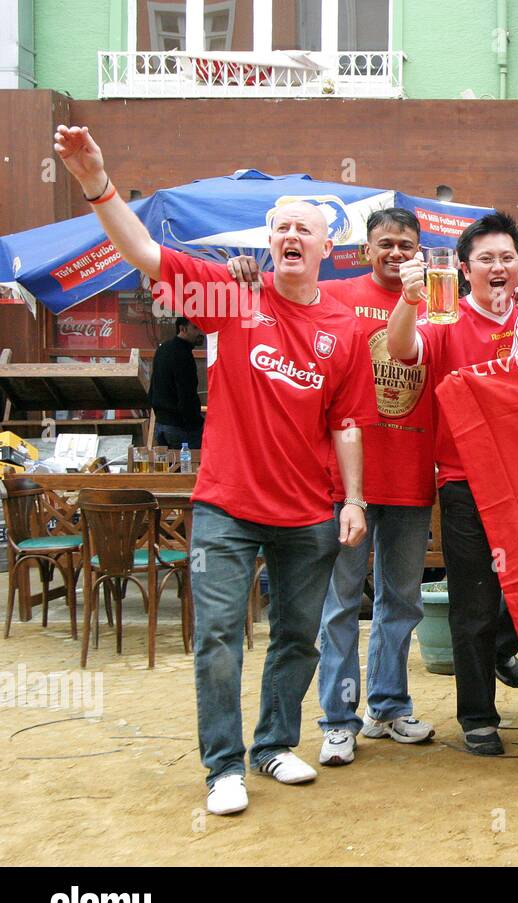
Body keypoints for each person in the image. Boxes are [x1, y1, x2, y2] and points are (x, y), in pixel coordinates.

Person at [54, 125, 374, 817]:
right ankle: (223, 765)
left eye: (305, 229)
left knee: (297, 636)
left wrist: (354, 500)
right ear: (268, 242)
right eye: (281, 226)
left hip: (310, 512)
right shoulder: (232, 300)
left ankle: (274, 745)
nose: (292, 235)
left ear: (326, 248)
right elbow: (140, 249)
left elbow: (346, 423)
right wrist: (95, 184)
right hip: (226, 505)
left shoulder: (346, 331)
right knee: (219, 636)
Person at [386, 211, 518, 757]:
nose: (498, 267)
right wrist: (408, 299)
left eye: (507, 258)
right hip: (465, 483)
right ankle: (478, 717)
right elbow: (401, 349)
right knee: (473, 601)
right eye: (486, 259)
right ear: (466, 269)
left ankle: (499, 645)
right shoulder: (444, 320)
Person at [307, 208, 437, 765]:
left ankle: (389, 705)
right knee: (339, 604)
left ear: (420, 251)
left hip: (411, 472)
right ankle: (339, 719)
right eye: (385, 244)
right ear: (366, 250)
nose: (397, 254)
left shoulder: (439, 299)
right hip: (345, 481)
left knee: (401, 603)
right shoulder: (333, 294)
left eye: (407, 244)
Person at [148, 315, 204, 449]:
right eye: (195, 327)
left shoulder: (163, 349)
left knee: (171, 468)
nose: (200, 332)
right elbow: (186, 394)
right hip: (181, 427)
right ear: (182, 329)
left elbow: (153, 388)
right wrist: (196, 422)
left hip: (162, 424)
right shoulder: (182, 354)